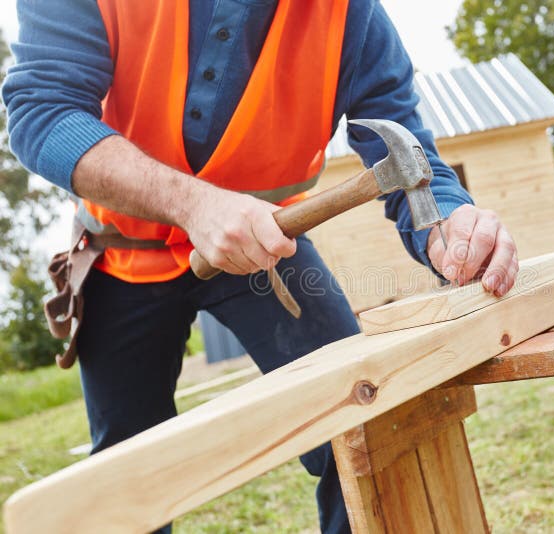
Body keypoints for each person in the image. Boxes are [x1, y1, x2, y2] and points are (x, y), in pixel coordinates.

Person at [2, 1, 519, 532]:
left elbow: (409, 152)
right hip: (124, 254)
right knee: (125, 488)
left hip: (268, 246)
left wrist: (450, 224)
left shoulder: (350, 14)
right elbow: (42, 111)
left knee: (367, 421)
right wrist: (196, 206)